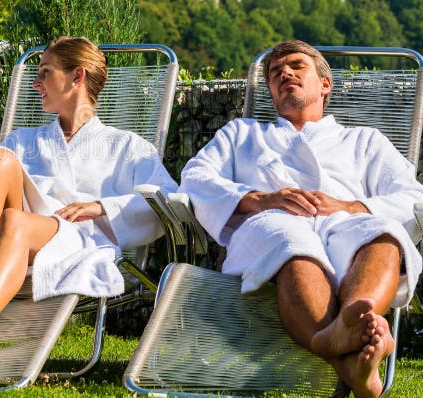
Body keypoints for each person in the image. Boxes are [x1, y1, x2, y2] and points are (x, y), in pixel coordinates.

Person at [0, 36, 178, 362]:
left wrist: (103, 206)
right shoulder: (24, 140)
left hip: (72, 239)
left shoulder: (127, 147)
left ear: (78, 76)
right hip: (0, 236)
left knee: (15, 219)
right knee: (0, 159)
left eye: (45, 72)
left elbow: (164, 199)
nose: (35, 83)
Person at [179, 40, 423, 398]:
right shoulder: (243, 134)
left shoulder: (363, 141)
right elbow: (196, 177)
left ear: (325, 84)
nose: (284, 74)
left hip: (346, 226)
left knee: (384, 233)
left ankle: (350, 324)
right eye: (275, 73)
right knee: (290, 241)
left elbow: (414, 197)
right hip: (271, 227)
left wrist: (351, 206)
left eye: (296, 66)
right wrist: (260, 200)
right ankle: (350, 350)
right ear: (273, 94)